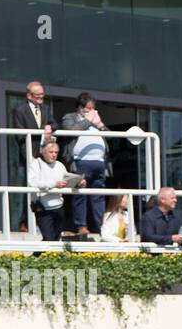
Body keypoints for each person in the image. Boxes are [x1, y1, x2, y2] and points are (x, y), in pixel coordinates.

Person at [60, 93, 110, 237]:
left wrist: (100, 125)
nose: (92, 112)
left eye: (93, 109)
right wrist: (88, 121)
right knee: (79, 195)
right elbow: (69, 130)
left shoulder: (95, 120)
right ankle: (81, 226)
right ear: (80, 108)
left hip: (100, 163)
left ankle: (100, 226)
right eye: (88, 109)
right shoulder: (70, 117)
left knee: (98, 196)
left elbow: (110, 135)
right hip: (80, 162)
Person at [10, 80, 55, 231]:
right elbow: (20, 136)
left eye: (42, 94)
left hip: (44, 157)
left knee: (44, 189)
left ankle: (42, 221)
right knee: (28, 188)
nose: (41, 97)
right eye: (37, 95)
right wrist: (28, 156)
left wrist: (50, 126)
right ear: (29, 96)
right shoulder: (20, 110)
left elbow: (55, 124)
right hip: (29, 155)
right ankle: (24, 222)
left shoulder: (46, 109)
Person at [26, 138, 72, 241]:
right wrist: (53, 184)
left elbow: (68, 180)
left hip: (58, 206)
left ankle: (35, 257)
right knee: (49, 238)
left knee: (54, 239)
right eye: (51, 152)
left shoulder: (60, 165)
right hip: (43, 208)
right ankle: (35, 256)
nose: (54, 155)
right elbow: (32, 182)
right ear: (43, 152)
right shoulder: (35, 164)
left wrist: (78, 183)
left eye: (56, 152)